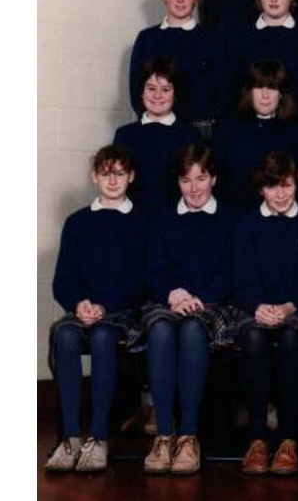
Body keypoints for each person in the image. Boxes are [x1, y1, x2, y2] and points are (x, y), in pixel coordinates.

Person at [45, 145, 149, 473]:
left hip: (121, 310)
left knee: (104, 339)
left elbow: (143, 277)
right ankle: (71, 438)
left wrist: (106, 306)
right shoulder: (77, 222)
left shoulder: (142, 220)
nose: (113, 180)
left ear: (130, 176)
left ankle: (100, 436)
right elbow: (63, 278)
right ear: (94, 176)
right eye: (106, 172)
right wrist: (79, 304)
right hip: (84, 308)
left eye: (120, 173)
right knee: (64, 336)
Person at [140, 145, 240, 475]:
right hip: (171, 300)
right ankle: (164, 434)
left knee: (194, 329)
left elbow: (232, 271)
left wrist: (199, 297)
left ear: (214, 178)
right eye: (186, 180)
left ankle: (189, 436)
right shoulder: (164, 219)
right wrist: (174, 293)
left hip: (213, 303)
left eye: (201, 178)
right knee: (160, 330)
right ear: (178, 183)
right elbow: (154, 269)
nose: (194, 188)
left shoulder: (229, 218)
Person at [233, 151, 298, 476]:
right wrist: (258, 306)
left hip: (295, 308)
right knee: (255, 340)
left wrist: (288, 307)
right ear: (261, 189)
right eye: (273, 188)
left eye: (286, 186)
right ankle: (258, 437)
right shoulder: (247, 224)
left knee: (291, 339)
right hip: (255, 307)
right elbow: (242, 276)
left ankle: (289, 438)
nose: (281, 194)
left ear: (296, 184)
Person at [129, 0, 220, 138]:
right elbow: (136, 88)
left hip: (199, 128)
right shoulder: (147, 38)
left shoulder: (211, 40)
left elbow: (221, 89)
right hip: (157, 124)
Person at [212, 60, 298, 210]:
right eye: (259, 87)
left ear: (281, 94)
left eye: (272, 88)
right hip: (238, 216)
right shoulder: (228, 131)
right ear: (249, 92)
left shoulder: (296, 133)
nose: (265, 95)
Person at [113, 58, 200, 208]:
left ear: (175, 94)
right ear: (141, 92)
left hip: (175, 219)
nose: (157, 96)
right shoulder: (124, 135)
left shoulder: (190, 135)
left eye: (166, 89)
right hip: (134, 217)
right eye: (151, 88)